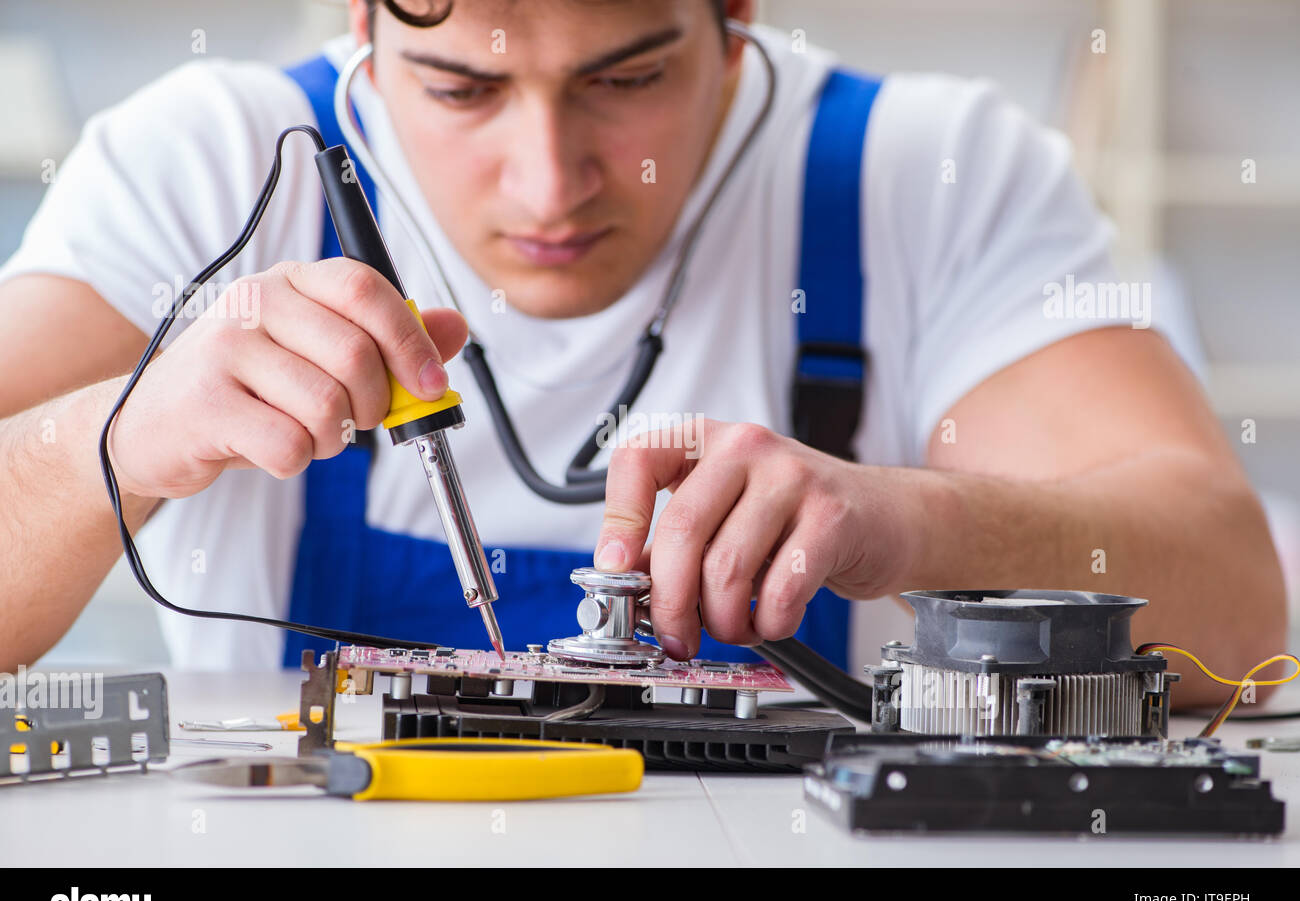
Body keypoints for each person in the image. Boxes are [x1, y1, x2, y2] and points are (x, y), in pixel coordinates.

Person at [0, 0, 1284, 708]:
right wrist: (102, 444)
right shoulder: (203, 166)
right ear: (362, 27)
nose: (548, 183)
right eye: (460, 90)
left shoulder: (927, 173)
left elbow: (1236, 602)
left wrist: (908, 519)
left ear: (737, 17)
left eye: (625, 80)